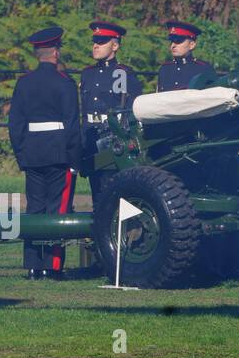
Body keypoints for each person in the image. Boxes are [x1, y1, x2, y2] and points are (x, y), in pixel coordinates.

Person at [8, 26, 80, 280]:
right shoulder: (65, 83)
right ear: (56, 53)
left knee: (35, 208)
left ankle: (33, 265)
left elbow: (15, 124)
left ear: (38, 54)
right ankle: (53, 265)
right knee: (57, 210)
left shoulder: (24, 83)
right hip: (59, 153)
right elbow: (72, 125)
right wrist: (75, 158)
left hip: (32, 153)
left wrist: (21, 154)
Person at [78, 20, 142, 199]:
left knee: (113, 192)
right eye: (94, 41)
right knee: (96, 192)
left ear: (115, 45)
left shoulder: (122, 73)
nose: (95, 46)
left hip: (111, 138)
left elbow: (130, 110)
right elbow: (84, 109)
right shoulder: (87, 73)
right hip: (91, 137)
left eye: (101, 42)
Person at [157, 20, 214, 91]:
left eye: (178, 41)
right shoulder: (165, 69)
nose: (173, 45)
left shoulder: (204, 69)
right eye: (171, 41)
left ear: (191, 45)